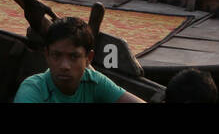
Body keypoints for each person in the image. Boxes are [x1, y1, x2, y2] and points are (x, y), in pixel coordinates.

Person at [14, 17, 144, 103]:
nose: (65, 66)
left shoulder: (93, 81)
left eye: (73, 57)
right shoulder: (33, 90)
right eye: (56, 55)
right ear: (46, 55)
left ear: (89, 58)